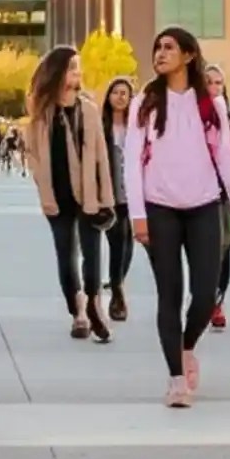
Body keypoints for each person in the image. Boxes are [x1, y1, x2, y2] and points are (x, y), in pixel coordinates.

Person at [124, 27, 230, 408]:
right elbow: (131, 161)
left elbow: (225, 156)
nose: (161, 53)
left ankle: (186, 345)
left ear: (189, 55)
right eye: (157, 47)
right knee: (170, 294)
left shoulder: (210, 105)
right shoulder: (144, 102)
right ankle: (176, 379)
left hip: (204, 206)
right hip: (159, 208)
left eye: (169, 47)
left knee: (204, 295)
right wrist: (137, 214)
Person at [25, 47, 117, 342]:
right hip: (58, 195)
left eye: (79, 66)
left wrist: (106, 199)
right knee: (66, 255)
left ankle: (94, 306)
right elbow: (35, 158)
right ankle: (77, 311)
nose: (77, 71)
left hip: (88, 195)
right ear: (56, 73)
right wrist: (43, 191)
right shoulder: (41, 114)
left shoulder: (88, 109)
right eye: (71, 67)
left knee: (92, 253)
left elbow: (102, 157)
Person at [100, 76, 136, 321]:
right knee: (118, 240)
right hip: (111, 193)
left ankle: (118, 281)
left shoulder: (137, 126)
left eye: (125, 93)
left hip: (133, 193)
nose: (120, 96)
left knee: (128, 243)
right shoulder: (101, 127)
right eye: (116, 92)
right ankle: (117, 292)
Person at [204, 64, 230, 331]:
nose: (214, 87)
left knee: (225, 248)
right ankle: (205, 299)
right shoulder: (196, 118)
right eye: (209, 82)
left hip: (225, 194)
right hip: (201, 195)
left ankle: (217, 299)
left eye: (218, 82)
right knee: (206, 250)